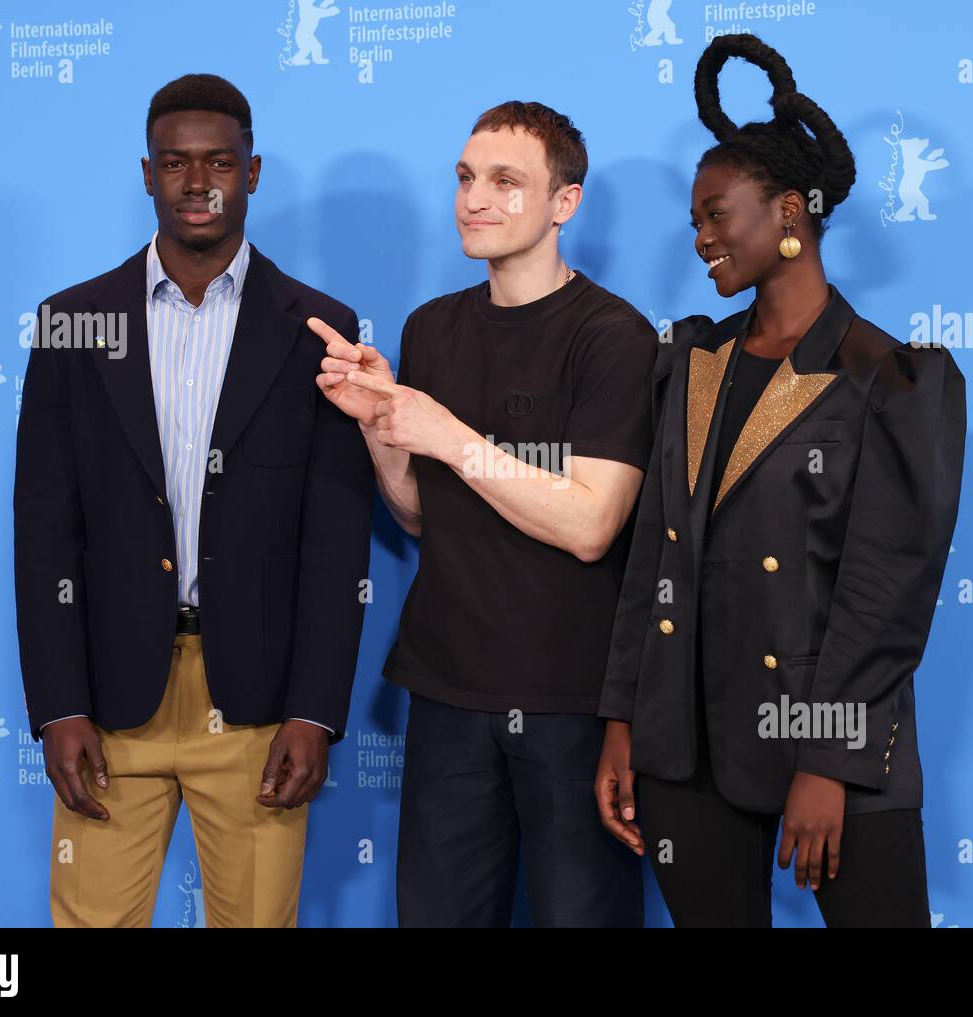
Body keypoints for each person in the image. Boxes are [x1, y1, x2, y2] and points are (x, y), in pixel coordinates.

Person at [595, 34, 967, 928]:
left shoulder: (891, 377)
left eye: (719, 214)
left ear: (791, 213)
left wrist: (829, 759)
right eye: (695, 220)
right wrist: (624, 721)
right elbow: (654, 554)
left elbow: (888, 588)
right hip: (687, 749)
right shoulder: (691, 360)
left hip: (832, 750)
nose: (701, 238)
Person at [14, 73, 372, 927]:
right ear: (147, 174)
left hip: (257, 706)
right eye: (175, 162)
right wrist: (59, 704)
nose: (197, 180)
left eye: (218, 161)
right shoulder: (72, 321)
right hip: (107, 704)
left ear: (254, 171)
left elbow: (336, 542)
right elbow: (43, 532)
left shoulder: (320, 326)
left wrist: (315, 710)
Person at [309, 101, 655, 927]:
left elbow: (589, 524)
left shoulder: (614, 336)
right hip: (447, 693)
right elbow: (428, 518)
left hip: (569, 700)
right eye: (466, 178)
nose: (475, 198)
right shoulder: (432, 327)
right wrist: (383, 429)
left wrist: (448, 433)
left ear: (563, 203)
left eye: (506, 181)